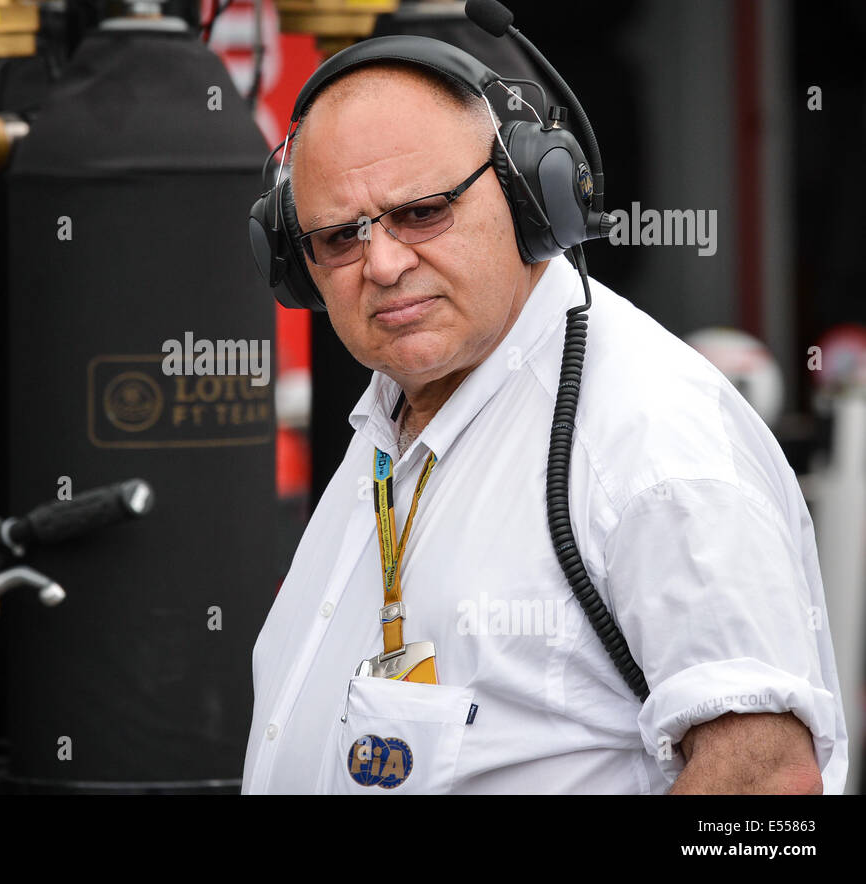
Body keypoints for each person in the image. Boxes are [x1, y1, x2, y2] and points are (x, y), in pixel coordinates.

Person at [241, 52, 848, 794]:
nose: (384, 263)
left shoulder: (652, 440)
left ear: (533, 197)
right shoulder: (395, 412)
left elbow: (764, 789)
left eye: (423, 211)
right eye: (339, 237)